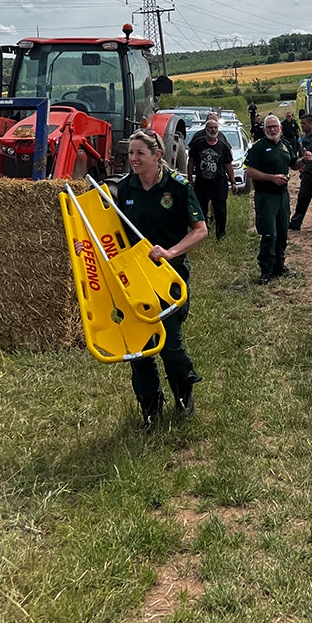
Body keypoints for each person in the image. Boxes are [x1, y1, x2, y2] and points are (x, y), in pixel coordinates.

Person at [112, 129, 208, 427]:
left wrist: (170, 252)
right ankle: (150, 406)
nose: (133, 158)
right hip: (135, 278)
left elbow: (200, 230)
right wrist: (85, 245)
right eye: (130, 153)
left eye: (140, 153)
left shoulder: (178, 187)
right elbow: (112, 232)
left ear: (157, 155)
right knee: (139, 345)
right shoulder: (125, 188)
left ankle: (183, 390)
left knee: (169, 341)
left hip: (169, 274)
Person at [244, 113, 299, 284]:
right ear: (264, 129)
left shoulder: (285, 144)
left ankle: (279, 266)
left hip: (283, 196)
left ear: (280, 128)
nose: (272, 130)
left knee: (282, 232)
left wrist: (305, 160)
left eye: (275, 126)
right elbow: (249, 171)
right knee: (269, 234)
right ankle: (266, 270)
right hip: (266, 197)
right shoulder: (259, 147)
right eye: (269, 127)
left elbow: (294, 164)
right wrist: (271, 178)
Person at [187, 113, 236, 240]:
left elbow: (228, 165)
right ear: (206, 129)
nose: (213, 130)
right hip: (202, 183)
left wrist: (233, 182)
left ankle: (221, 234)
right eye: (210, 128)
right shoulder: (198, 142)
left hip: (219, 183)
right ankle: (202, 232)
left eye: (215, 128)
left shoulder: (223, 145)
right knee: (201, 209)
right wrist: (190, 178)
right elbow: (191, 161)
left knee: (220, 210)